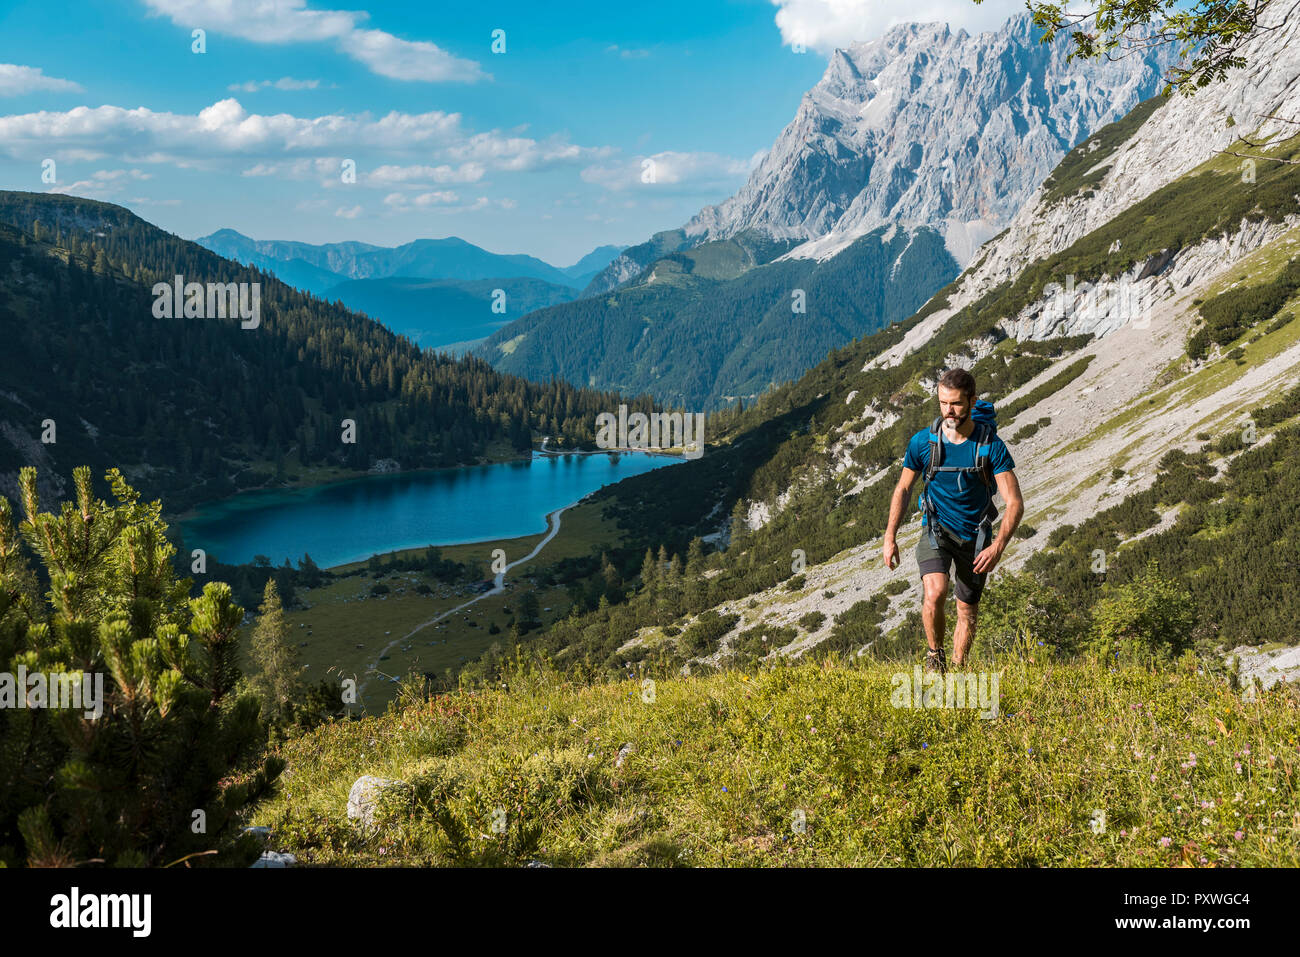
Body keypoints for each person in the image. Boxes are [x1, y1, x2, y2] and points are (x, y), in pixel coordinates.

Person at [881, 369, 1024, 674]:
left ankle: (958, 670)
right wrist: (890, 536)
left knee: (966, 609)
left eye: (956, 404)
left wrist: (998, 546)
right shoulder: (924, 443)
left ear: (972, 401)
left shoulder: (990, 447)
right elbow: (903, 489)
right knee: (934, 592)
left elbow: (1014, 502)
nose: (949, 411)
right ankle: (936, 658)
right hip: (937, 530)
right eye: (943, 403)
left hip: (977, 538)